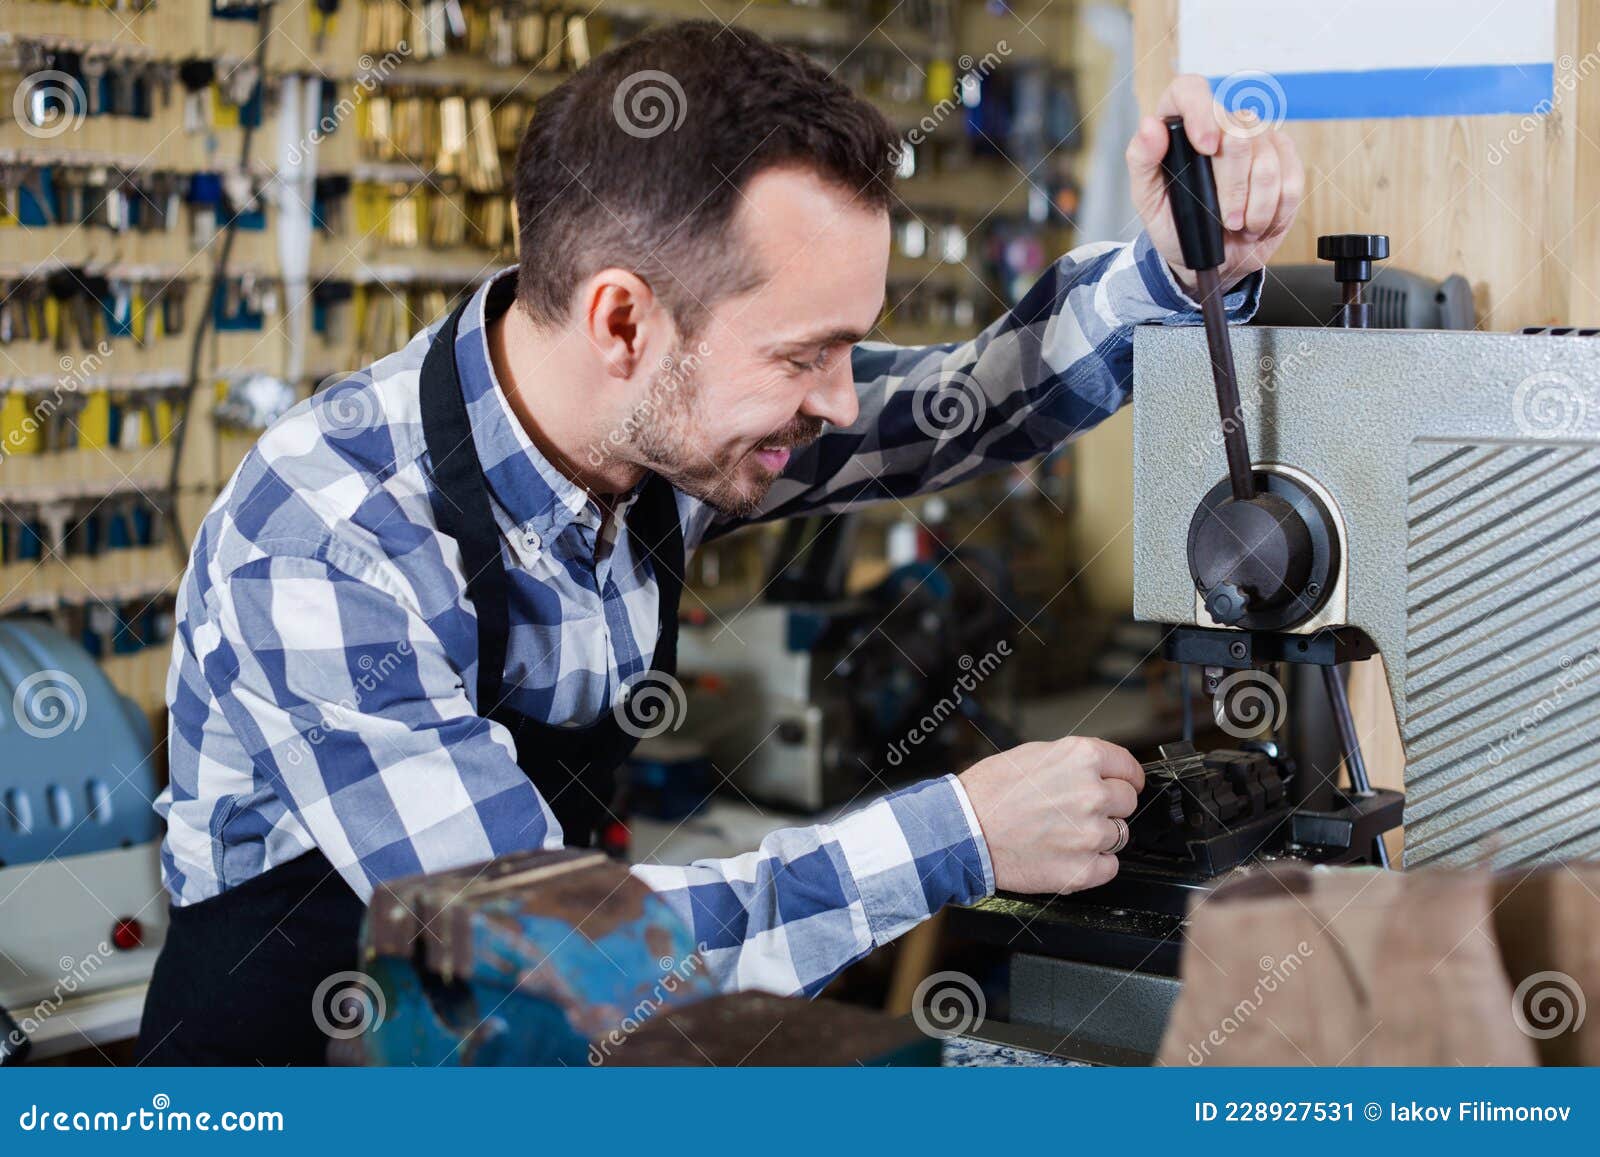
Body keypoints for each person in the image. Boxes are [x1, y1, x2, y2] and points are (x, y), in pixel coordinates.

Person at [138, 21, 1301, 1064]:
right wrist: (959, 834)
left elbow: (965, 404)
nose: (840, 399)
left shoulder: (651, 434)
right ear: (623, 321)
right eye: (803, 354)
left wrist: (1176, 270)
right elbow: (562, 951)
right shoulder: (328, 540)